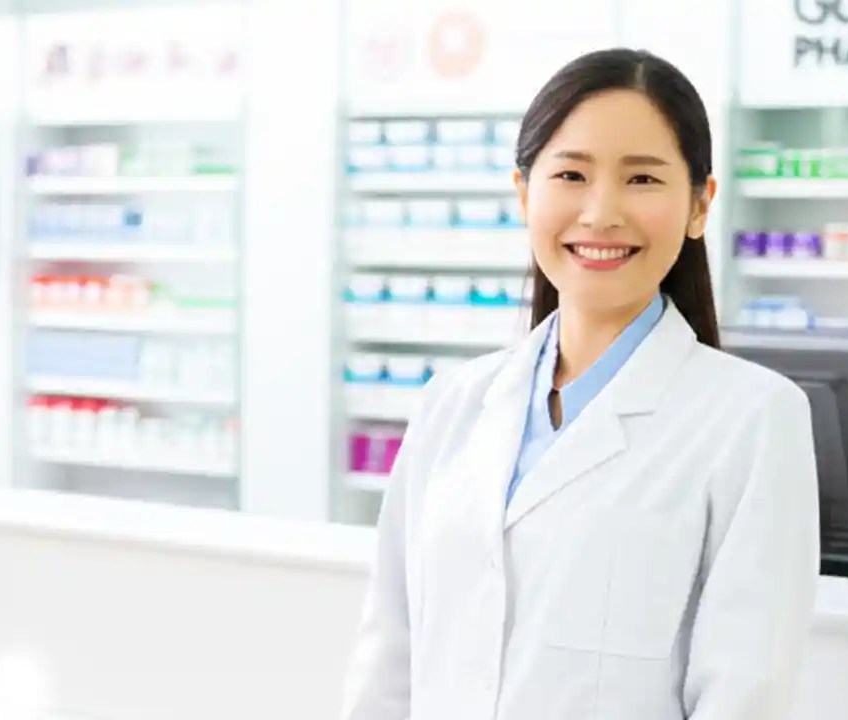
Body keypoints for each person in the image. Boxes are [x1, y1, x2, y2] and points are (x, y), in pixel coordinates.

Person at [341, 48, 819, 720]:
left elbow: (745, 695)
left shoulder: (753, 418)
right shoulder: (453, 404)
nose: (600, 213)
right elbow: (390, 655)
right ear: (523, 192)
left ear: (699, 204)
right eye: (570, 174)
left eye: (643, 180)